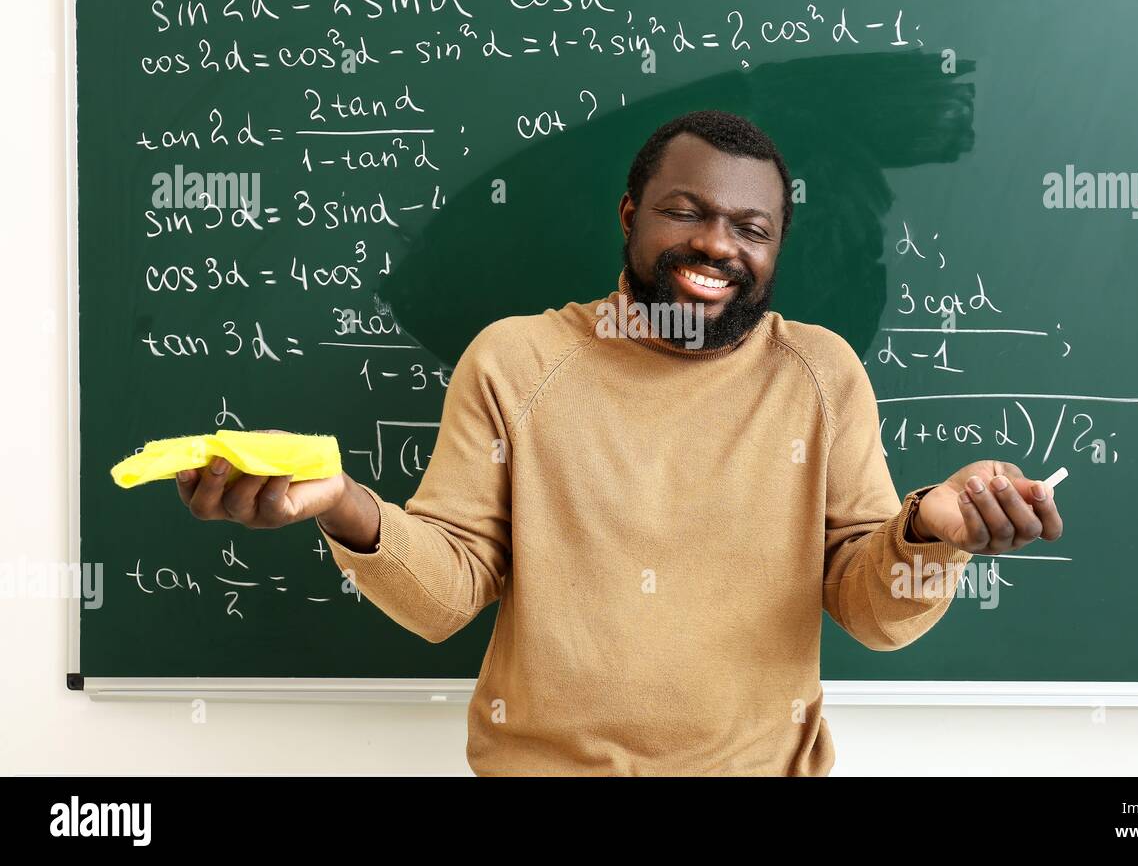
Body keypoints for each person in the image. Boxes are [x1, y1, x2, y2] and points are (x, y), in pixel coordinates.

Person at [175, 109, 1063, 776]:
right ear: (631, 214)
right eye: (686, 211)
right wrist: (342, 505)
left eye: (751, 228)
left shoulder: (821, 376)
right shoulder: (517, 361)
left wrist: (930, 533)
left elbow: (870, 610)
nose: (716, 242)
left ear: (778, 246)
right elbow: (447, 593)